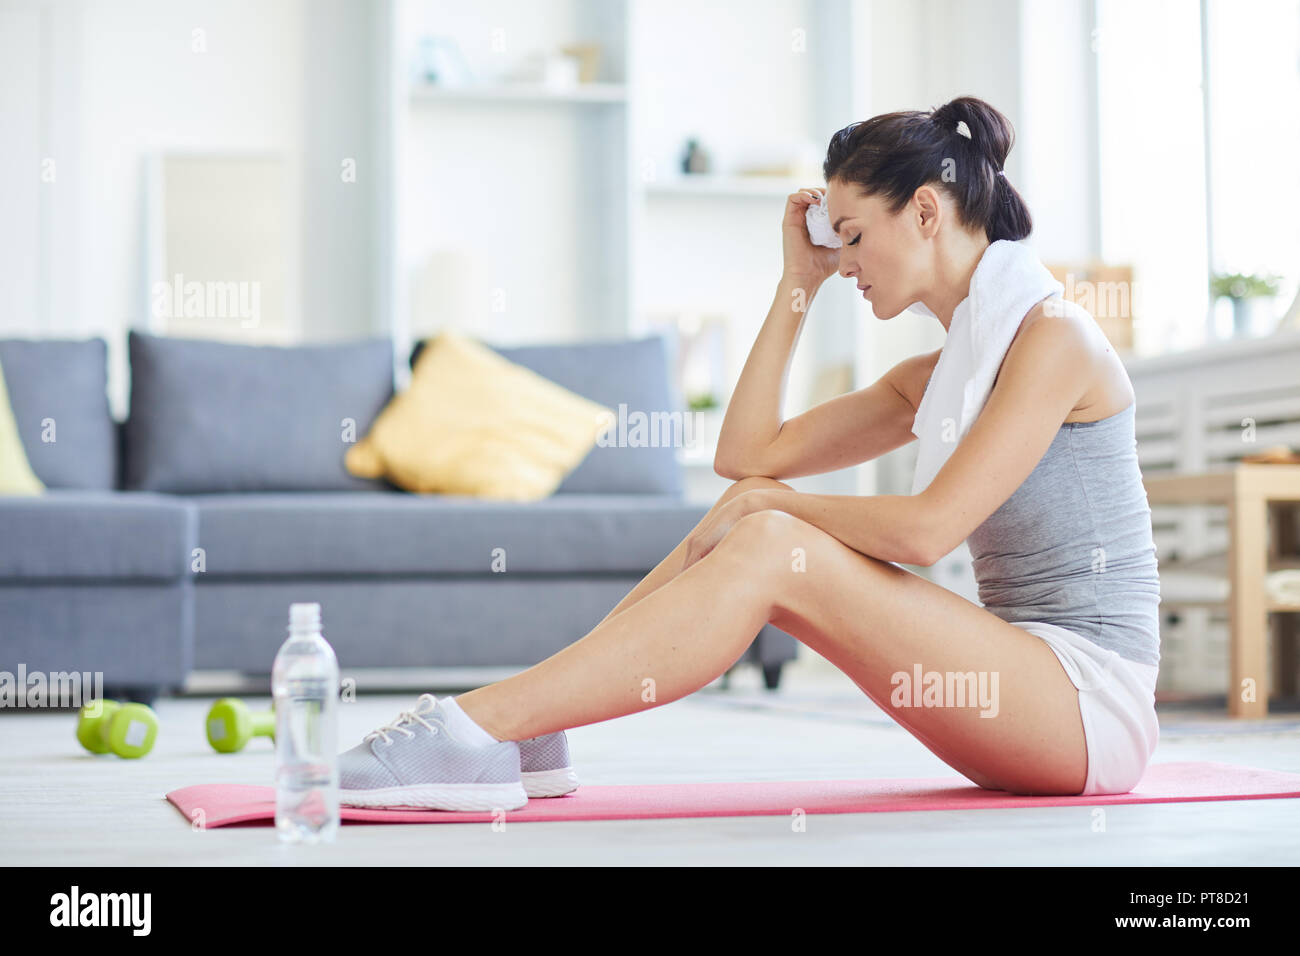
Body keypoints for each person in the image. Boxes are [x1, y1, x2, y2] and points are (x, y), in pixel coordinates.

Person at [336, 95, 1161, 811]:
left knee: (771, 532)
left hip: (1088, 707)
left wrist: (774, 507)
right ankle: (531, 730)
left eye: (851, 236)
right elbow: (749, 455)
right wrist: (795, 283)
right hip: (1020, 698)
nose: (845, 263)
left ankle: (479, 727)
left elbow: (924, 533)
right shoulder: (941, 374)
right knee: (757, 511)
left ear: (923, 212)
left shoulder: (1055, 339)